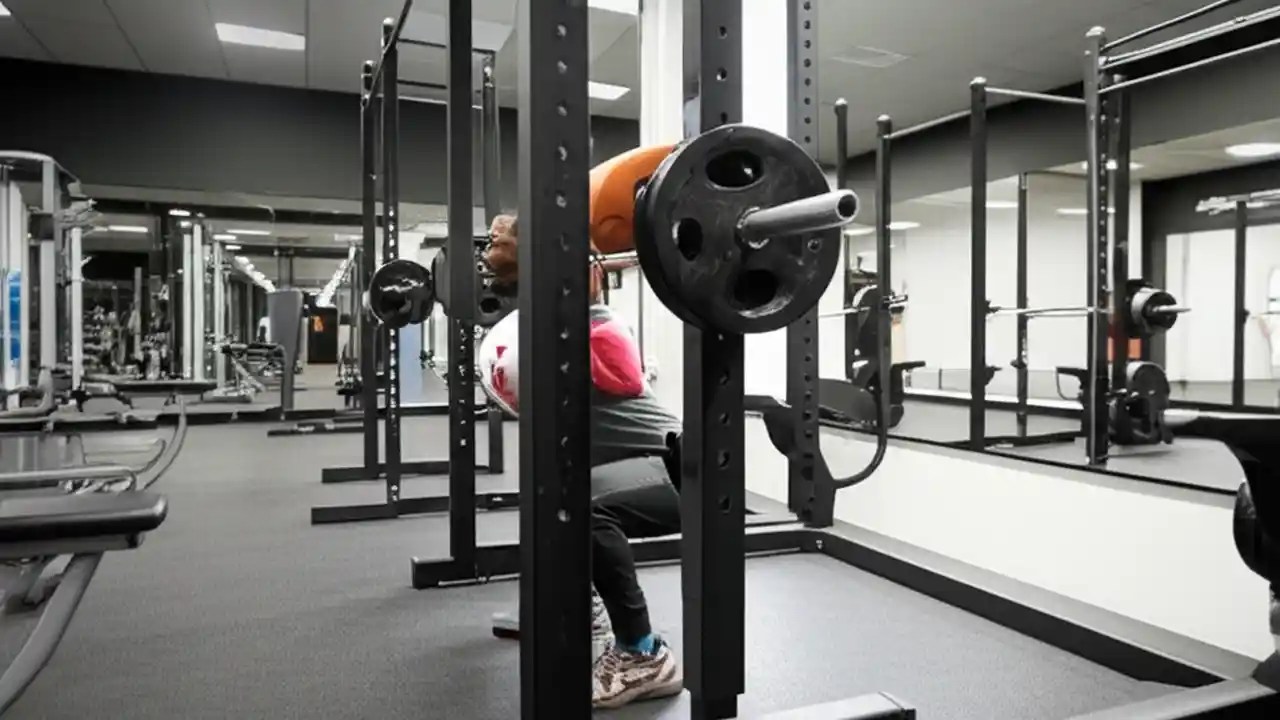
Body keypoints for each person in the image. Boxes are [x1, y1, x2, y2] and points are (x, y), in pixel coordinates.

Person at [483, 214, 685, 709]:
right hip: (639, 465)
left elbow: (619, 375)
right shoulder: (551, 326)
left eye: (501, 237)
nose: (490, 242)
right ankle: (580, 608)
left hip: (681, 470)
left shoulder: (599, 330)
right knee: (551, 487)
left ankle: (643, 653)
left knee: (584, 508)